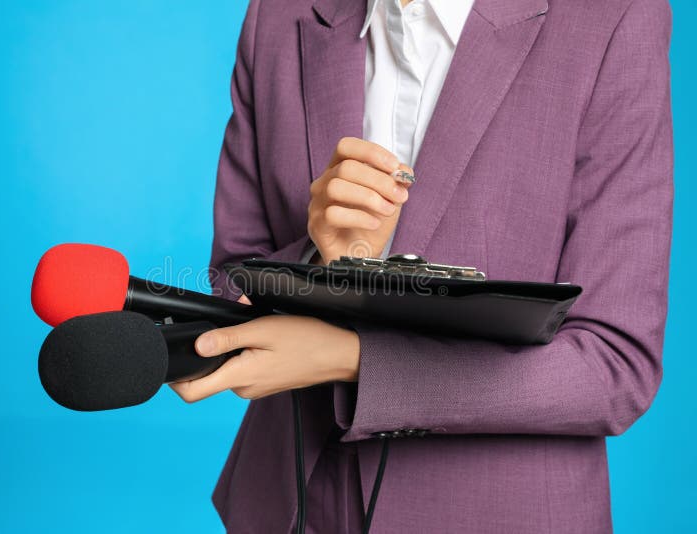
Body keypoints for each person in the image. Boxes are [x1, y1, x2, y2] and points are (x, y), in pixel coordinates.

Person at [170, 0, 674, 532]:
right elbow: (232, 280)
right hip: (290, 500)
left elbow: (615, 366)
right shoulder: (277, 15)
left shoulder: (614, 16)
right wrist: (320, 255)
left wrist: (355, 361)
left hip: (498, 511)